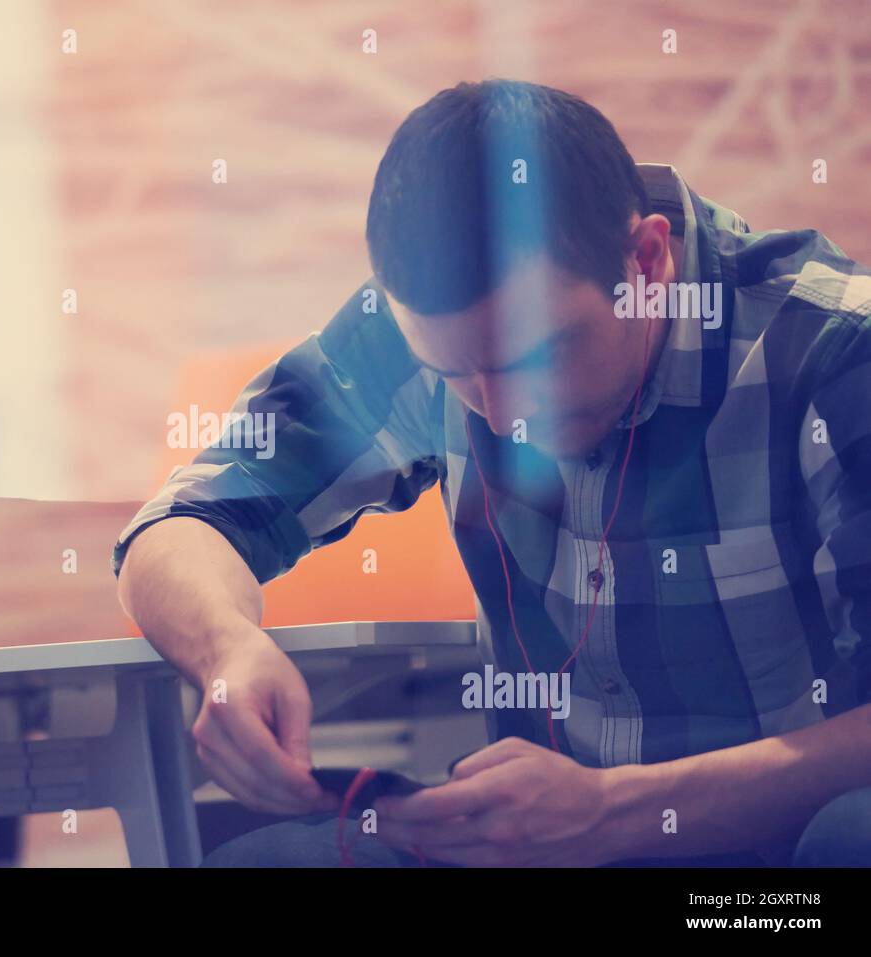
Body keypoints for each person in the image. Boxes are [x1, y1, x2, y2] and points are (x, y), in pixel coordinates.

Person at [111, 79, 871, 867]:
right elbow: (178, 526)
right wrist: (227, 648)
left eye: (537, 355)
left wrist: (613, 812)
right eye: (456, 373)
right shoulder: (415, 343)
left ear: (646, 259)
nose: (503, 411)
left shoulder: (835, 351)